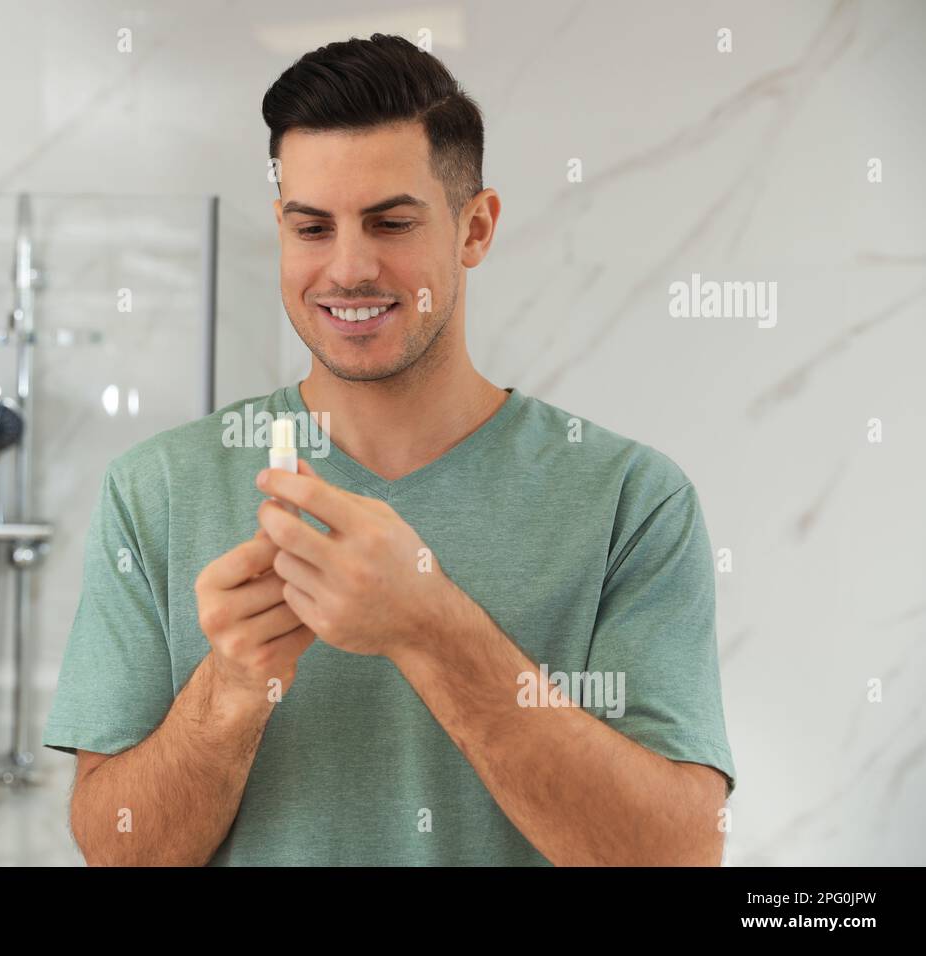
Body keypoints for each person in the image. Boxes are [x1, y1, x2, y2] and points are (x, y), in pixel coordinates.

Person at [43, 33, 735, 866]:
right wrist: (230, 689)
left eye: (391, 222)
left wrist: (430, 628)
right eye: (312, 227)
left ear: (474, 228)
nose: (348, 267)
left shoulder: (631, 499)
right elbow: (118, 853)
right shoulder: (154, 489)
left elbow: (675, 855)